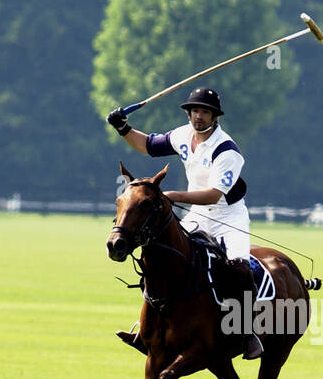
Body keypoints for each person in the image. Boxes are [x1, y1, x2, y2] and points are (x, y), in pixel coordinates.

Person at [107, 87, 262, 359]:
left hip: (228, 216)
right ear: (189, 114)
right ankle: (147, 328)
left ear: (215, 116)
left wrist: (174, 196)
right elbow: (147, 146)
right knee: (157, 254)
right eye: (195, 111)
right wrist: (122, 128)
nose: (198, 116)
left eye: (205, 112)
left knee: (240, 271)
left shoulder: (227, 151)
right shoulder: (182, 135)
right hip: (198, 213)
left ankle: (248, 334)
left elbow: (214, 194)